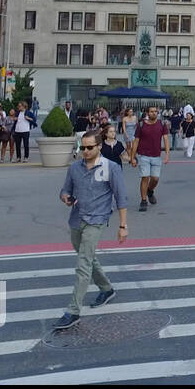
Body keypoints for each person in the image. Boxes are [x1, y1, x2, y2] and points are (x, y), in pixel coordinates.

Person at [54, 129, 128, 330]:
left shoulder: (111, 168)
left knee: (83, 263)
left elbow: (121, 198)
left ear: (99, 146)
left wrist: (123, 226)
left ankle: (73, 311)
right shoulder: (74, 168)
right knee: (87, 255)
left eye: (89, 147)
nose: (85, 151)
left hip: (97, 219)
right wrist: (65, 198)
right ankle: (106, 288)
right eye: (82, 147)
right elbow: (64, 190)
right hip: (76, 219)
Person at [130, 105, 171, 212]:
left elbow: (166, 139)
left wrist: (167, 154)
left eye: (155, 112)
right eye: (151, 111)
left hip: (156, 155)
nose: (154, 113)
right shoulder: (141, 125)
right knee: (145, 177)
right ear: (147, 113)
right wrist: (132, 157)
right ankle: (143, 201)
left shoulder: (162, 124)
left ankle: (150, 190)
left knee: (155, 179)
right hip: (143, 155)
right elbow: (136, 141)